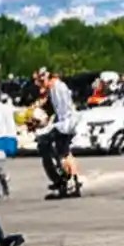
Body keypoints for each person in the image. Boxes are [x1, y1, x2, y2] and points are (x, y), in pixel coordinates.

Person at [36, 68, 82, 199]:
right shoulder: (55, 88)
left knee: (63, 153)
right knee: (60, 151)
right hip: (63, 123)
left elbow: (65, 111)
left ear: (49, 77)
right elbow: (55, 110)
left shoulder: (58, 88)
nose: (41, 85)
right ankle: (66, 181)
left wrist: (56, 127)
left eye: (42, 81)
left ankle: (71, 183)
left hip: (66, 123)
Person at [0, 91, 16, 202]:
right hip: (6, 140)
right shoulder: (7, 108)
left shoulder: (0, 108)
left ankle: (1, 185)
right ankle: (0, 187)